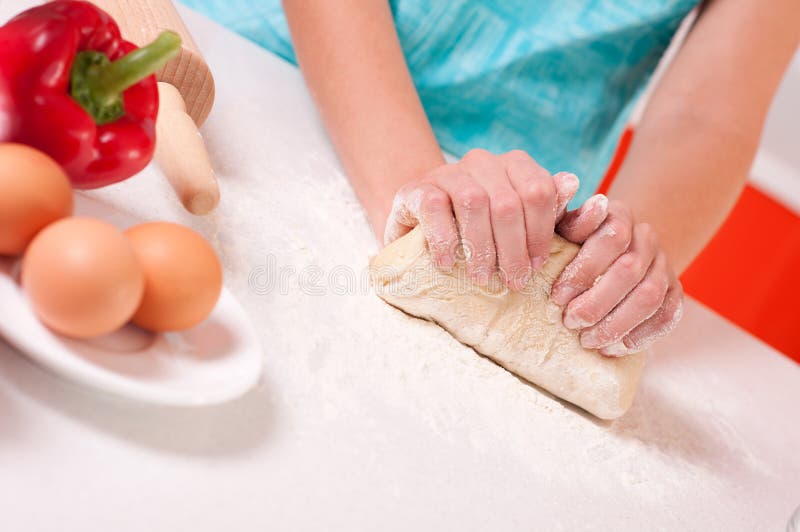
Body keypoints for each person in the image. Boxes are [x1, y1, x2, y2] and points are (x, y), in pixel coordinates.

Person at [186, 0, 799, 355]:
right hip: (257, 80)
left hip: (507, 213)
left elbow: (707, 115)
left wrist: (617, 274)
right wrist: (415, 180)